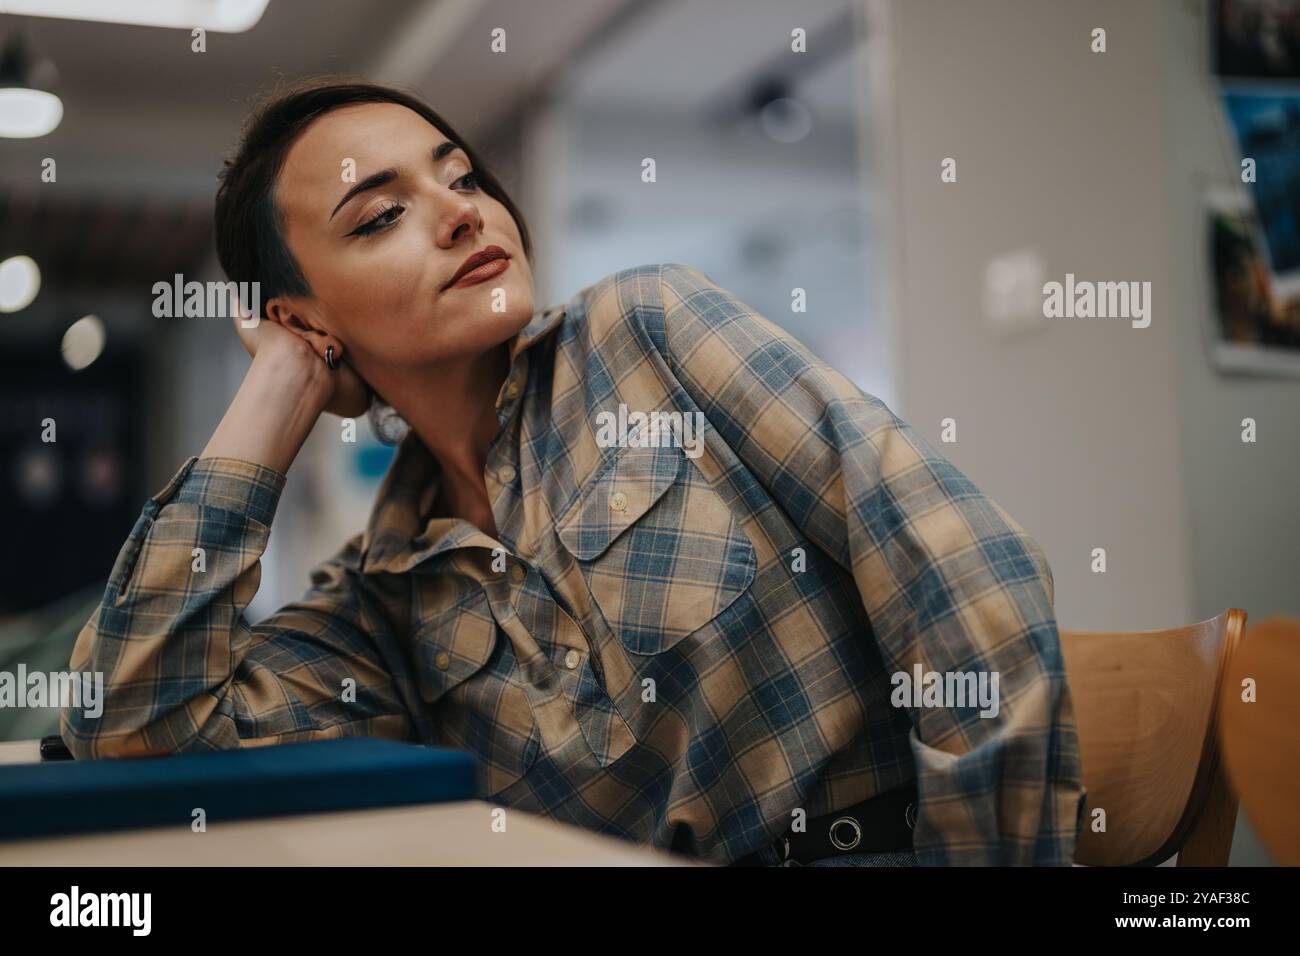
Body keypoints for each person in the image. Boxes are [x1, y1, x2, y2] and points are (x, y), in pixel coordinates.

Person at [62, 77, 1086, 867]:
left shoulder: (648, 329)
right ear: (301, 319)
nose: (463, 213)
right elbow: (136, 733)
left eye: (460, 178)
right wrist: (273, 396)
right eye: (378, 216)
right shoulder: (377, 604)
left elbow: (964, 573)